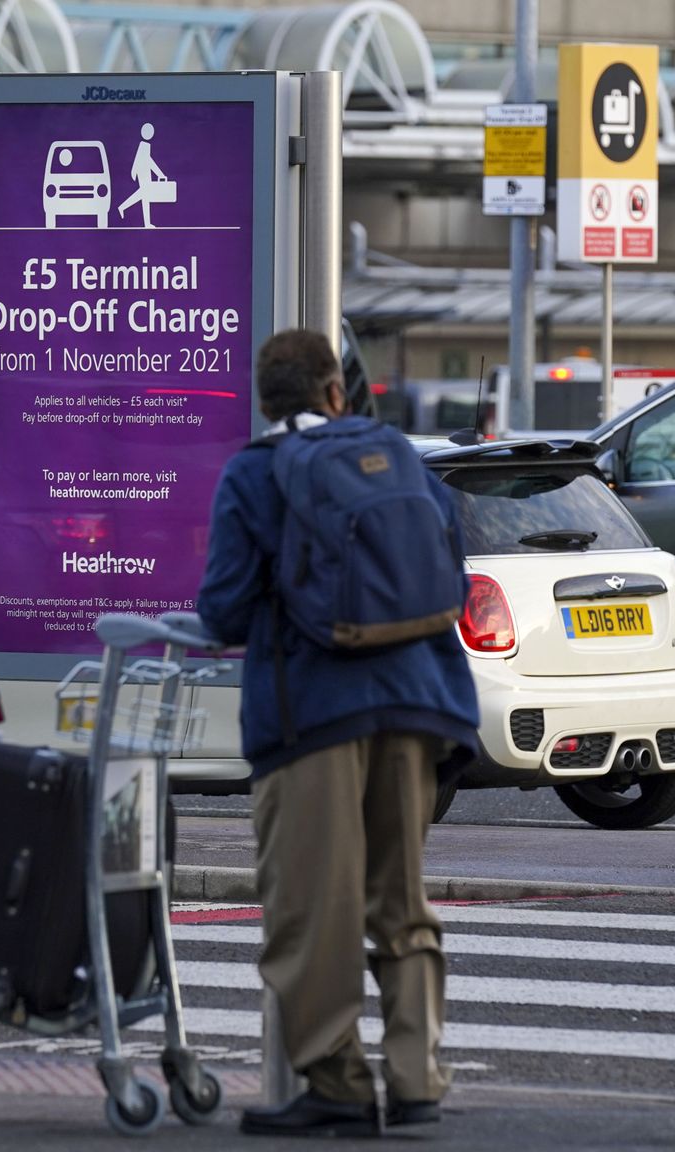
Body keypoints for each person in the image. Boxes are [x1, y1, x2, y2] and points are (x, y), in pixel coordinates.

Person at [198, 328, 481, 1137]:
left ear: (266, 399)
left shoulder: (254, 475)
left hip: (312, 716)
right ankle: (418, 1077)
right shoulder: (395, 455)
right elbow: (449, 573)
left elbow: (222, 607)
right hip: (419, 707)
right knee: (402, 897)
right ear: (335, 392)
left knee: (312, 908)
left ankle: (339, 1083)